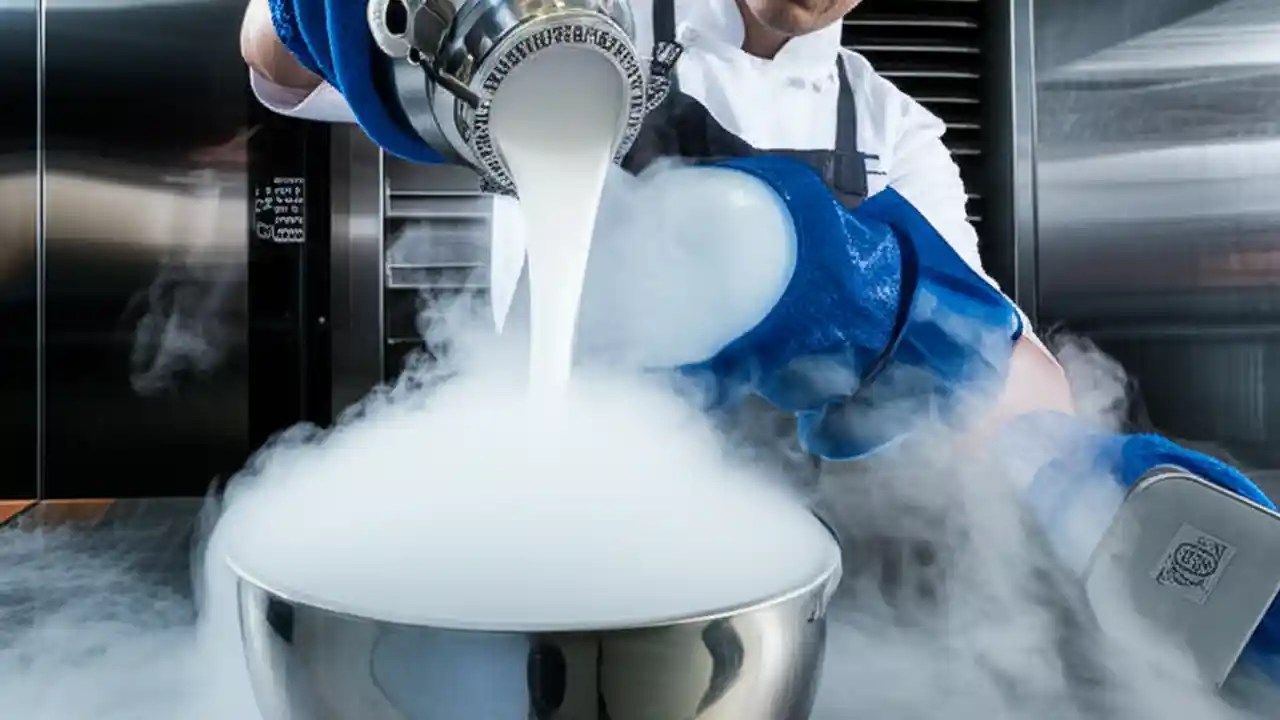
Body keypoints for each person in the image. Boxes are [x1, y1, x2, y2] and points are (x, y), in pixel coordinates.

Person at [243, 0, 1280, 672]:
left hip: (769, 578)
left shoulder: (891, 129)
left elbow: (1008, 383)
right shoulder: (572, 25)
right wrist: (322, 15)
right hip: (542, 518)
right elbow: (271, 63)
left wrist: (1071, 479)